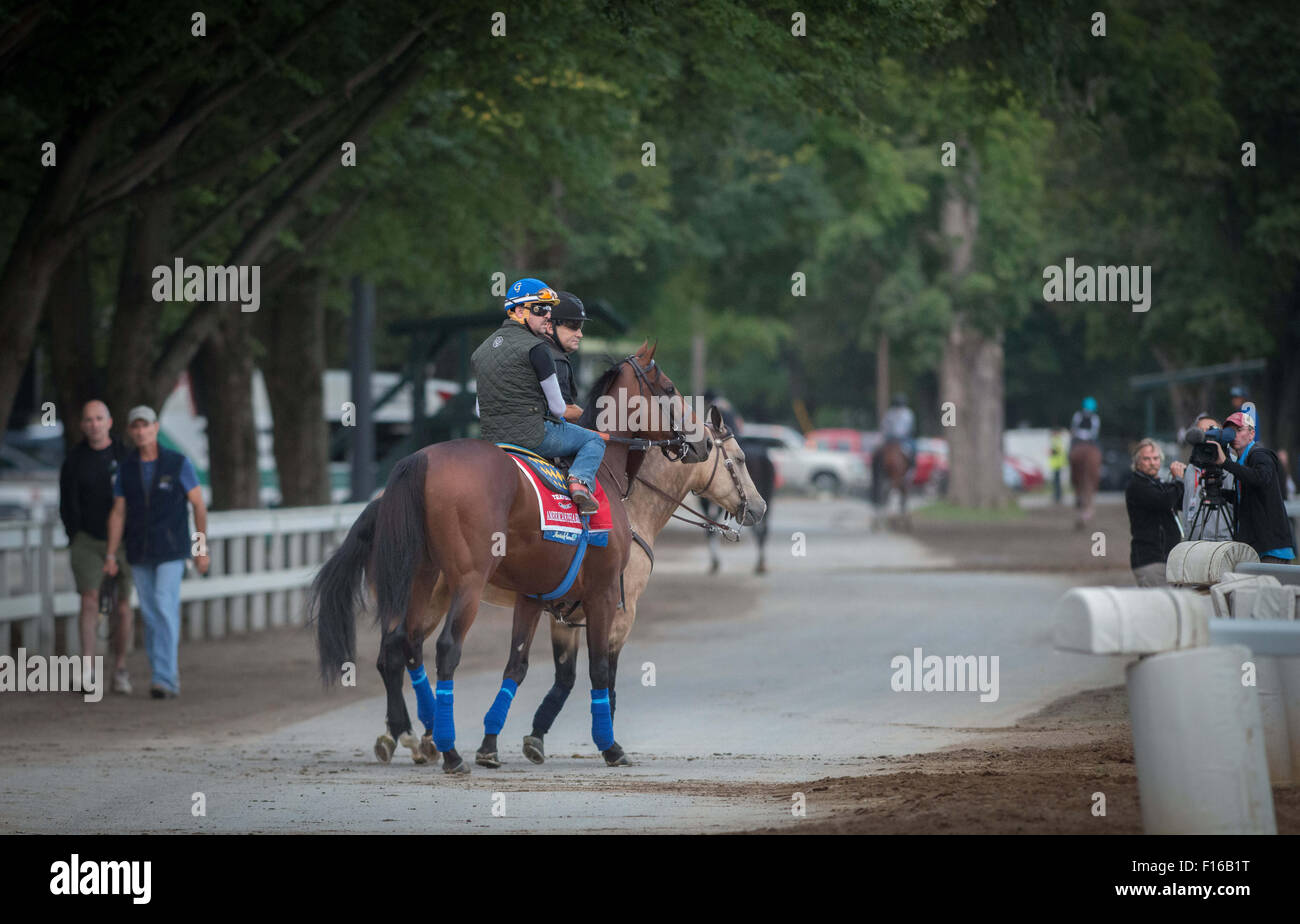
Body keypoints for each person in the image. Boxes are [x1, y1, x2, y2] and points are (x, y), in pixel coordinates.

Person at [471, 278, 605, 514]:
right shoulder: (538, 348)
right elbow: (557, 409)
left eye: (549, 310)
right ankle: (579, 484)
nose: (547, 315)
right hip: (534, 437)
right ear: (518, 311)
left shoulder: (481, 351)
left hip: (491, 440)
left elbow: (479, 410)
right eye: (541, 309)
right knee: (592, 441)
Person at [104, 406, 209, 698]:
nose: (140, 432)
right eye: (135, 427)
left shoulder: (178, 464)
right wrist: (111, 555)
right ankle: (160, 674)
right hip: (139, 549)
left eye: (145, 426)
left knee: (164, 605)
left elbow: (198, 506)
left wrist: (201, 549)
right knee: (151, 614)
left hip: (172, 548)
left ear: (155, 427)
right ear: (130, 431)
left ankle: (165, 677)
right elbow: (118, 512)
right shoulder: (126, 469)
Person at [59, 400, 134, 694]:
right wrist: (74, 535)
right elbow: (66, 502)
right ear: (82, 425)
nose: (94, 424)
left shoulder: (124, 457)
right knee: (89, 600)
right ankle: (88, 668)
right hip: (87, 539)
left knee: (123, 607)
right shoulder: (74, 460)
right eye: (88, 419)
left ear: (109, 422)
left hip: (124, 541)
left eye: (99, 419)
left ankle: (120, 668)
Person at [1213, 412, 1296, 564]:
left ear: (1252, 434)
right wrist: (1222, 494)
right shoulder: (1242, 460)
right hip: (1256, 546)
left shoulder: (1260, 455)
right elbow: (1249, 497)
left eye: (1238, 430)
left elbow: (1260, 479)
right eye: (1230, 432)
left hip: (1271, 548)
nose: (1234, 436)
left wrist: (1226, 463)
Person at [1126, 438, 1184, 587]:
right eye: (1146, 459)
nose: (1152, 462)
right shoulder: (1137, 485)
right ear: (1137, 462)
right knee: (1159, 608)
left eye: (1156, 458)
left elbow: (1180, 503)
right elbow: (1164, 501)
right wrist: (1178, 480)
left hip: (1167, 559)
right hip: (1151, 561)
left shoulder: (1158, 483)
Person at [1168, 414, 1234, 541]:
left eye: (1210, 430)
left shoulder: (1231, 465)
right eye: (1200, 431)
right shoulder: (1191, 469)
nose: (1205, 435)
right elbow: (1186, 505)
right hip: (1195, 543)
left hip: (1222, 542)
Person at [546, 291, 587, 419]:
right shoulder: (556, 359)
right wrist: (593, 418)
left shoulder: (529, 346)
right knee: (596, 439)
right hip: (537, 433)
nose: (580, 334)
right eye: (573, 325)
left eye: (580, 325)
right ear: (549, 327)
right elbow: (565, 411)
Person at [1048, 429, 1066, 505]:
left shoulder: (1057, 440)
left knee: (1057, 482)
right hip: (1056, 464)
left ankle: (1058, 497)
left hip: (1057, 464)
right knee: (1056, 482)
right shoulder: (1056, 440)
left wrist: (1051, 451)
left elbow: (1057, 451)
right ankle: (1057, 496)